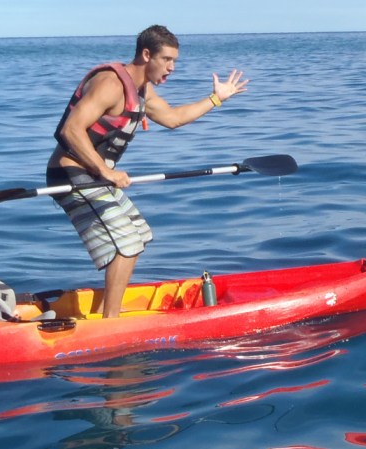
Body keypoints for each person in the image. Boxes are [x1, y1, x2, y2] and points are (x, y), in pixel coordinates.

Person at [47, 25, 248, 318]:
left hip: (95, 177)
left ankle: (104, 312)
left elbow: (173, 118)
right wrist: (106, 170)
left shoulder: (141, 90)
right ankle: (110, 324)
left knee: (138, 236)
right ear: (145, 54)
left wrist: (215, 99)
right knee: (126, 242)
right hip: (71, 175)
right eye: (166, 59)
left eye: (174, 61)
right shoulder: (111, 84)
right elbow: (71, 129)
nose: (171, 67)